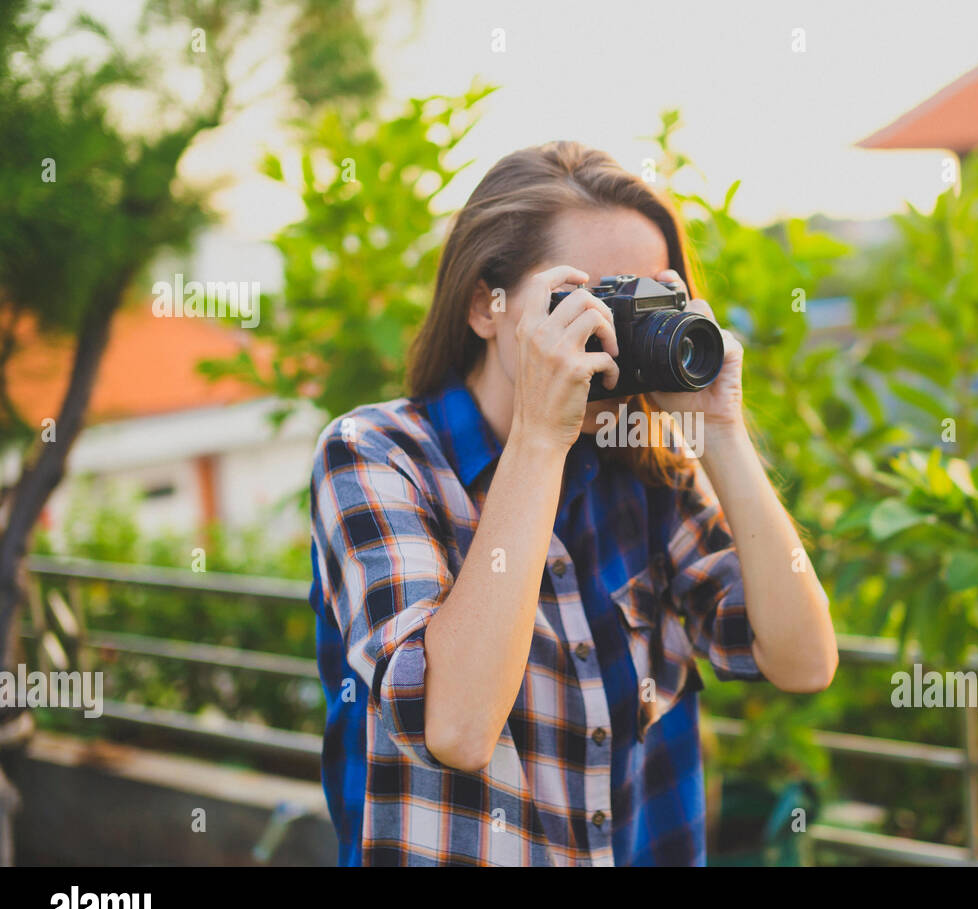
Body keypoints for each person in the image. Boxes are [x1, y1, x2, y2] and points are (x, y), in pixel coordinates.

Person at [309, 140, 838, 866]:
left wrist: (719, 431)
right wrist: (538, 440)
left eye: (646, 300)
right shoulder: (375, 454)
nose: (612, 336)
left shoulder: (646, 468)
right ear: (483, 305)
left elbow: (804, 661)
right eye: (589, 301)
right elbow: (458, 729)